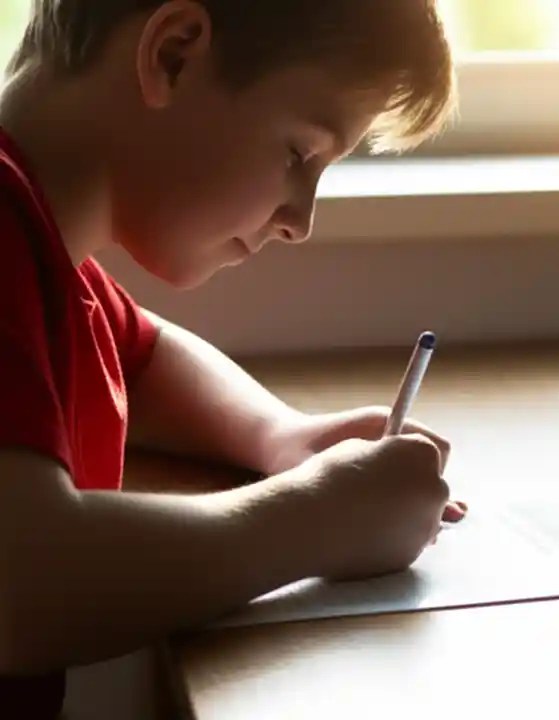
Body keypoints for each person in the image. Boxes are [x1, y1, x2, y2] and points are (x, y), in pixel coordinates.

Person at [0, 1, 465, 714]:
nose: (300, 221)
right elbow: (23, 585)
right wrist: (318, 521)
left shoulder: (46, 257)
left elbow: (141, 357)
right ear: (174, 56)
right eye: (299, 154)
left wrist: (284, 437)